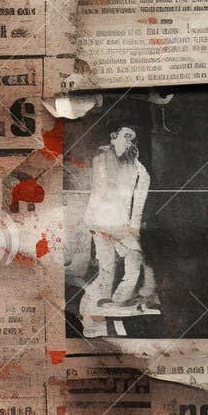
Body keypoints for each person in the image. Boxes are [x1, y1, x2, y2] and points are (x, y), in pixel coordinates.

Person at [78, 124, 160, 338]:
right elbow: (102, 192)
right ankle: (94, 321)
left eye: (132, 139)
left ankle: (110, 307)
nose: (129, 141)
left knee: (134, 261)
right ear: (113, 138)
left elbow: (139, 201)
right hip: (101, 223)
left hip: (121, 226)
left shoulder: (140, 170)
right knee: (106, 270)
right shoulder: (102, 160)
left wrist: (133, 226)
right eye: (125, 136)